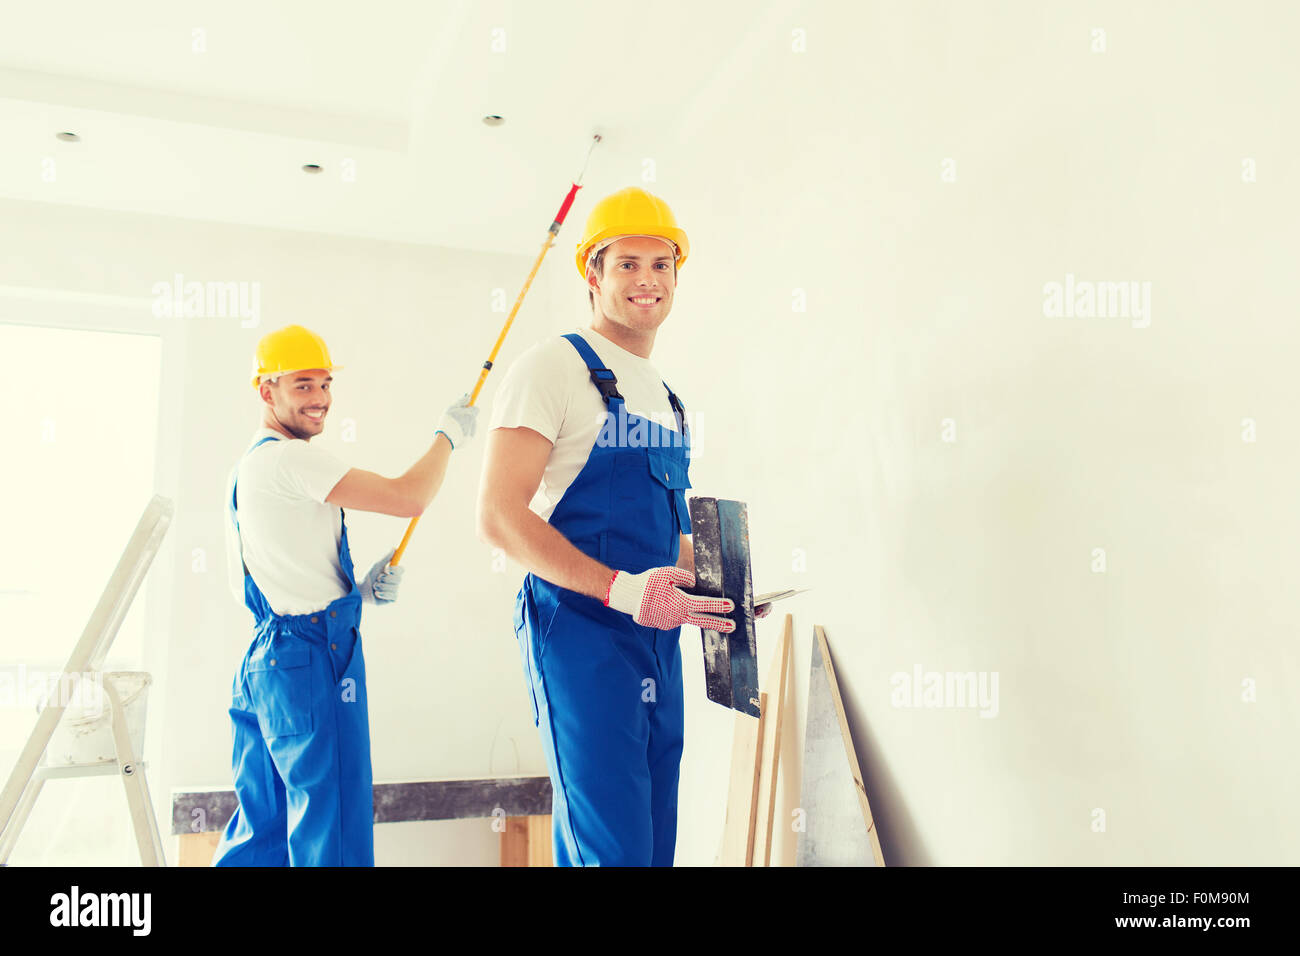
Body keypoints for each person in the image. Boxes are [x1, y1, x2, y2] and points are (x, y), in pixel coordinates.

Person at [477, 187, 738, 866]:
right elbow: (500, 517)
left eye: (661, 264)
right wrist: (624, 591)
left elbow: (662, 535)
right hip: (582, 634)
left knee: (652, 847)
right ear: (591, 274)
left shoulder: (667, 397)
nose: (647, 279)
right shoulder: (552, 367)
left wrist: (724, 585)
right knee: (612, 851)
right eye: (626, 263)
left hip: (655, 641)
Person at [213, 324, 477, 866]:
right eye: (304, 385)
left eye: (326, 384)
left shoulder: (246, 470)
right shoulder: (290, 459)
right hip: (312, 659)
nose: (321, 399)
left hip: (266, 666)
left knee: (261, 832)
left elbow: (286, 574)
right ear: (267, 392)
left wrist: (358, 592)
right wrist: (448, 436)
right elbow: (408, 497)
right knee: (330, 830)